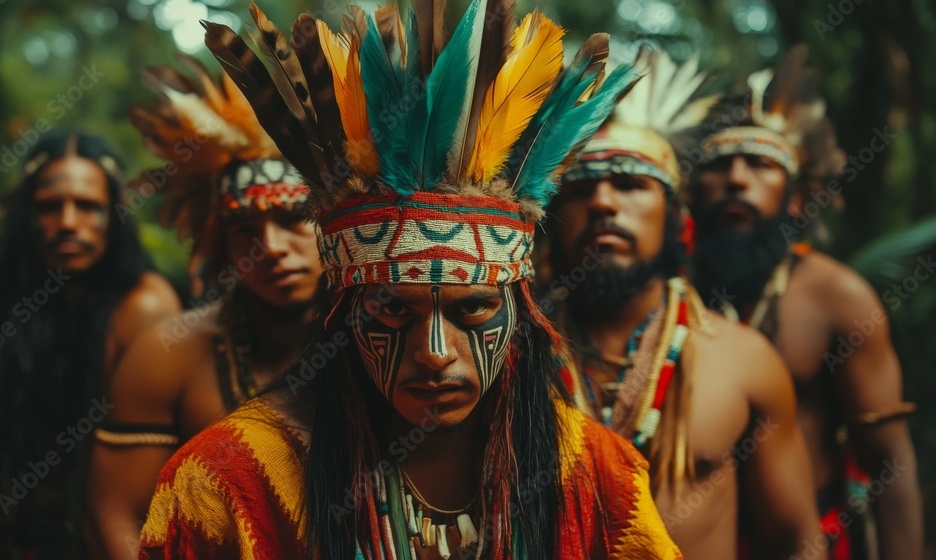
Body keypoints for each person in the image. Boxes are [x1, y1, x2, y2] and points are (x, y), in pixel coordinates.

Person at [138, 1, 682, 558]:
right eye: (393, 310)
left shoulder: (598, 474)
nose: (436, 354)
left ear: (521, 309)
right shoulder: (231, 480)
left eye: (472, 309)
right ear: (342, 314)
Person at [545, 47, 823, 559]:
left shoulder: (745, 361)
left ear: (679, 223)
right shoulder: (511, 358)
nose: (604, 202)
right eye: (581, 189)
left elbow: (796, 541)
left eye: (631, 185)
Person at [688, 45, 922, 560]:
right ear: (691, 193)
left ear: (796, 197)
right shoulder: (668, 298)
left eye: (760, 165)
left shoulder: (836, 296)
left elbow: (890, 460)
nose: (736, 179)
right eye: (720, 165)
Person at [87, 58, 322, 559]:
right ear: (218, 244)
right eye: (245, 228)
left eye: (295, 216)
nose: (273, 246)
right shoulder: (167, 354)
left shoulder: (393, 331)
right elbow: (118, 510)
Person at [0, 130, 180, 559]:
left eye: (88, 206)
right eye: (49, 206)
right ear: (24, 216)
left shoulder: (146, 310)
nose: (68, 222)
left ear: (115, 216)